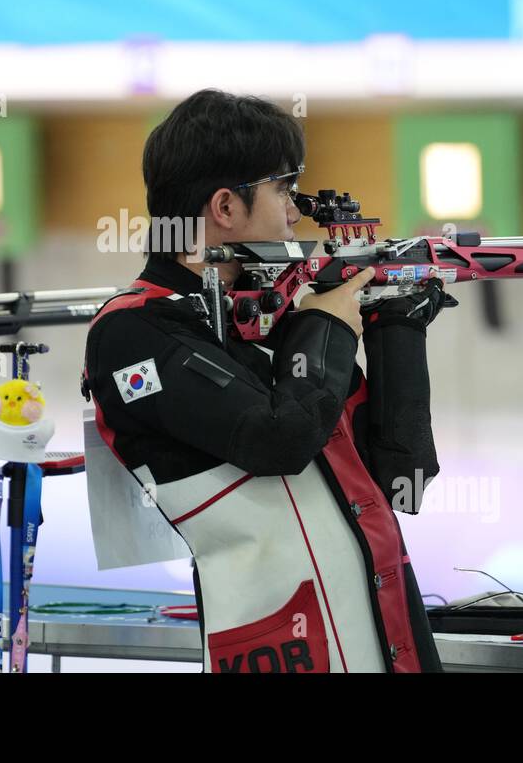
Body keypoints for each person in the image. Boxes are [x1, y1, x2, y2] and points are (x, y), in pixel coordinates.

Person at [83, 90, 449, 673]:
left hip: (389, 639)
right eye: (284, 188)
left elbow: (403, 478)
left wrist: (397, 327)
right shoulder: (134, 333)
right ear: (225, 207)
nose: (295, 213)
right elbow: (277, 439)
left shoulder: (268, 323)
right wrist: (327, 323)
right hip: (286, 649)